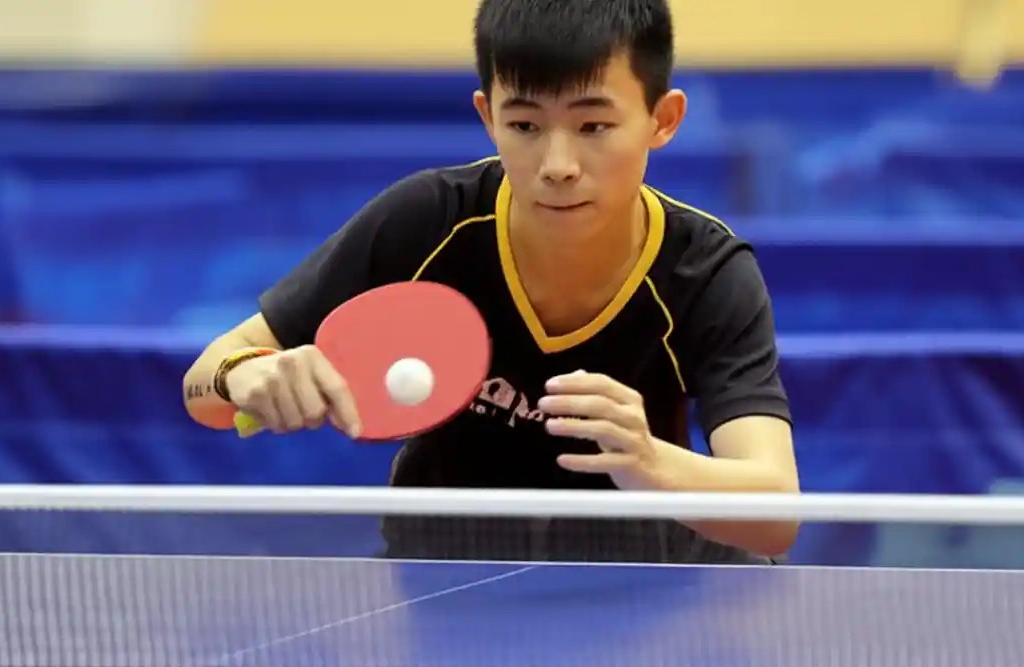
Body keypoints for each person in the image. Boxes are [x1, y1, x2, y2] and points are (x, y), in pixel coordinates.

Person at [183, 0, 800, 564]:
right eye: (526, 126)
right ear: (488, 116)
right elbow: (202, 391)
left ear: (661, 120)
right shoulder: (426, 222)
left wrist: (649, 462)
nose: (557, 166)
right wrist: (243, 374)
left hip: (644, 585)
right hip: (441, 578)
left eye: (594, 127)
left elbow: (777, 514)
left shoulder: (705, 272)